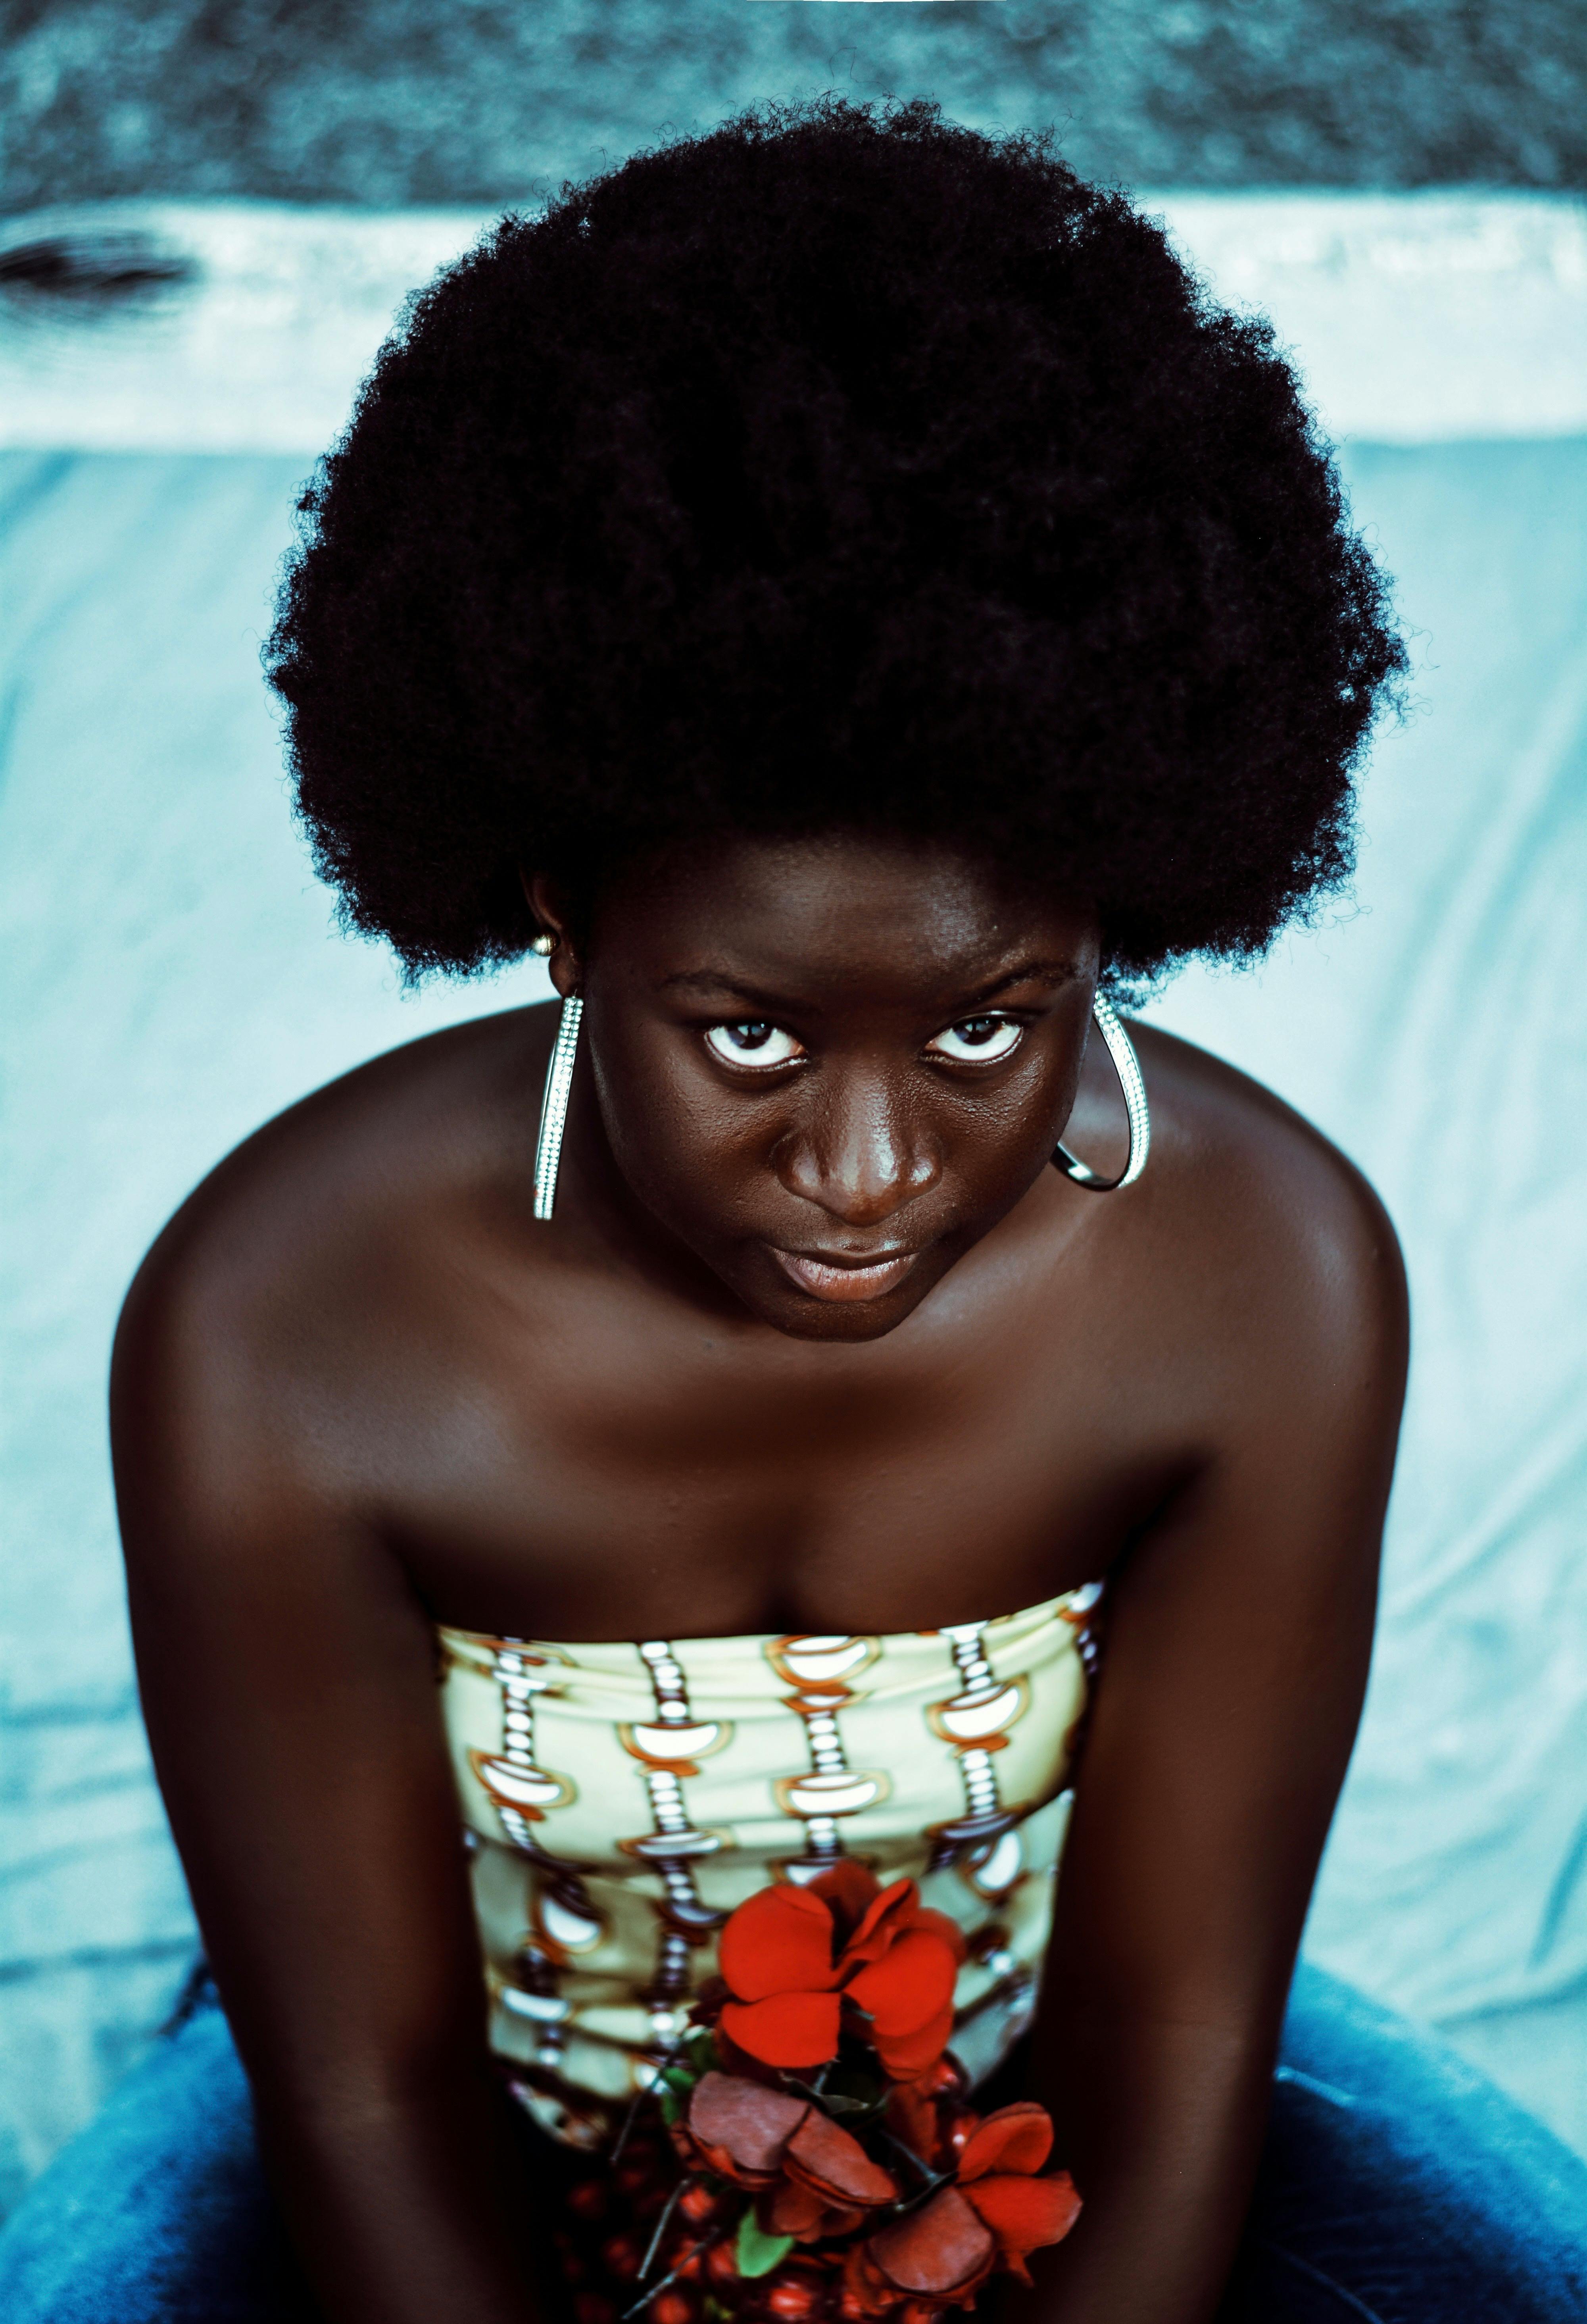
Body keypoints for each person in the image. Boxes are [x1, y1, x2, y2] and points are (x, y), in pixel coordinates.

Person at [3, 96, 1584, 2324]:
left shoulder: (1264, 1278)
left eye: (986, 1029)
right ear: (559, 916)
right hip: (443, 2110)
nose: (867, 1179)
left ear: (1114, 919)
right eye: (748, 1036)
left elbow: (1177, 2035)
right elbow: (364, 2101)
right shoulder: (283, 1318)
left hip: (1033, 2098)